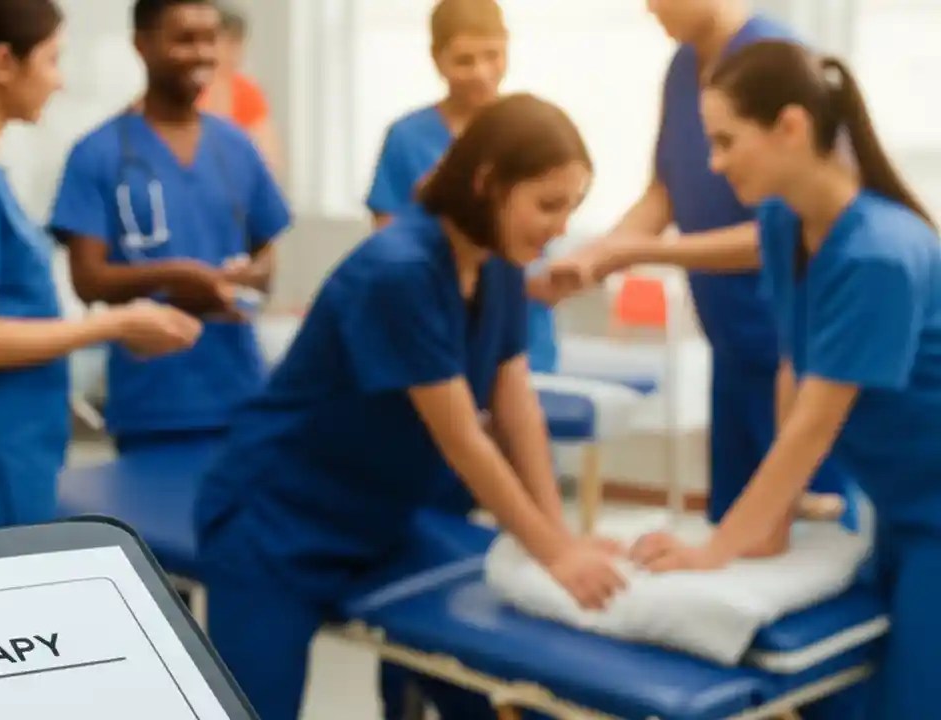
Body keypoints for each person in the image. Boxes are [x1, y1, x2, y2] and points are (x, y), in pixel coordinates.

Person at [195, 93, 627, 720]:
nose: (561, 228)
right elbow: (463, 439)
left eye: (573, 208)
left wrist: (558, 537)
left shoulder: (499, 263)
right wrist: (556, 555)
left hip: (385, 519)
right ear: (487, 183)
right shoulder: (400, 271)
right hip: (276, 521)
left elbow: (516, 406)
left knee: (491, 682)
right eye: (548, 205)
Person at [627, 39, 941, 719]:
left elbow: (813, 429)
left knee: (913, 697)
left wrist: (716, 548)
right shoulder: (781, 224)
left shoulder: (880, 254)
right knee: (845, 694)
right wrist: (764, 529)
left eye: (726, 141)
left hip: (933, 511)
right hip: (905, 506)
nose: (713, 163)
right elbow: (792, 370)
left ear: (791, 128)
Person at [0, 0, 201, 533]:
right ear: (2, 64)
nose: (59, 81)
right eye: (51, 61)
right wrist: (115, 323)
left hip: (7, 454)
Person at [549, 0, 855, 543]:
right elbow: (665, 190)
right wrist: (596, 254)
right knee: (735, 529)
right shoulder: (681, 69)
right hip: (732, 348)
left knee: (811, 540)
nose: (649, 9)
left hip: (791, 350)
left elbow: (785, 233)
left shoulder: (776, 64)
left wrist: (635, 254)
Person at [48, 0, 292, 455]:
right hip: (152, 404)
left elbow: (268, 258)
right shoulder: (97, 154)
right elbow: (87, 280)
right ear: (142, 44)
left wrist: (243, 279)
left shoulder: (237, 146)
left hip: (240, 395)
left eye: (210, 38)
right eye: (184, 39)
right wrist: (174, 276)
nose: (201, 53)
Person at [365, 0, 560, 378]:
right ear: (437, 59)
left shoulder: (533, 131)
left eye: (492, 55)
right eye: (464, 60)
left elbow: (546, 232)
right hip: (438, 329)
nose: (481, 73)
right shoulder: (407, 138)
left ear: (508, 46)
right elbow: (386, 250)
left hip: (522, 329)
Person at [197, 6, 283, 176]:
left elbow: (271, 159)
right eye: (228, 43)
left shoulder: (248, 92)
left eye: (239, 43)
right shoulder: (185, 89)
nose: (235, 52)